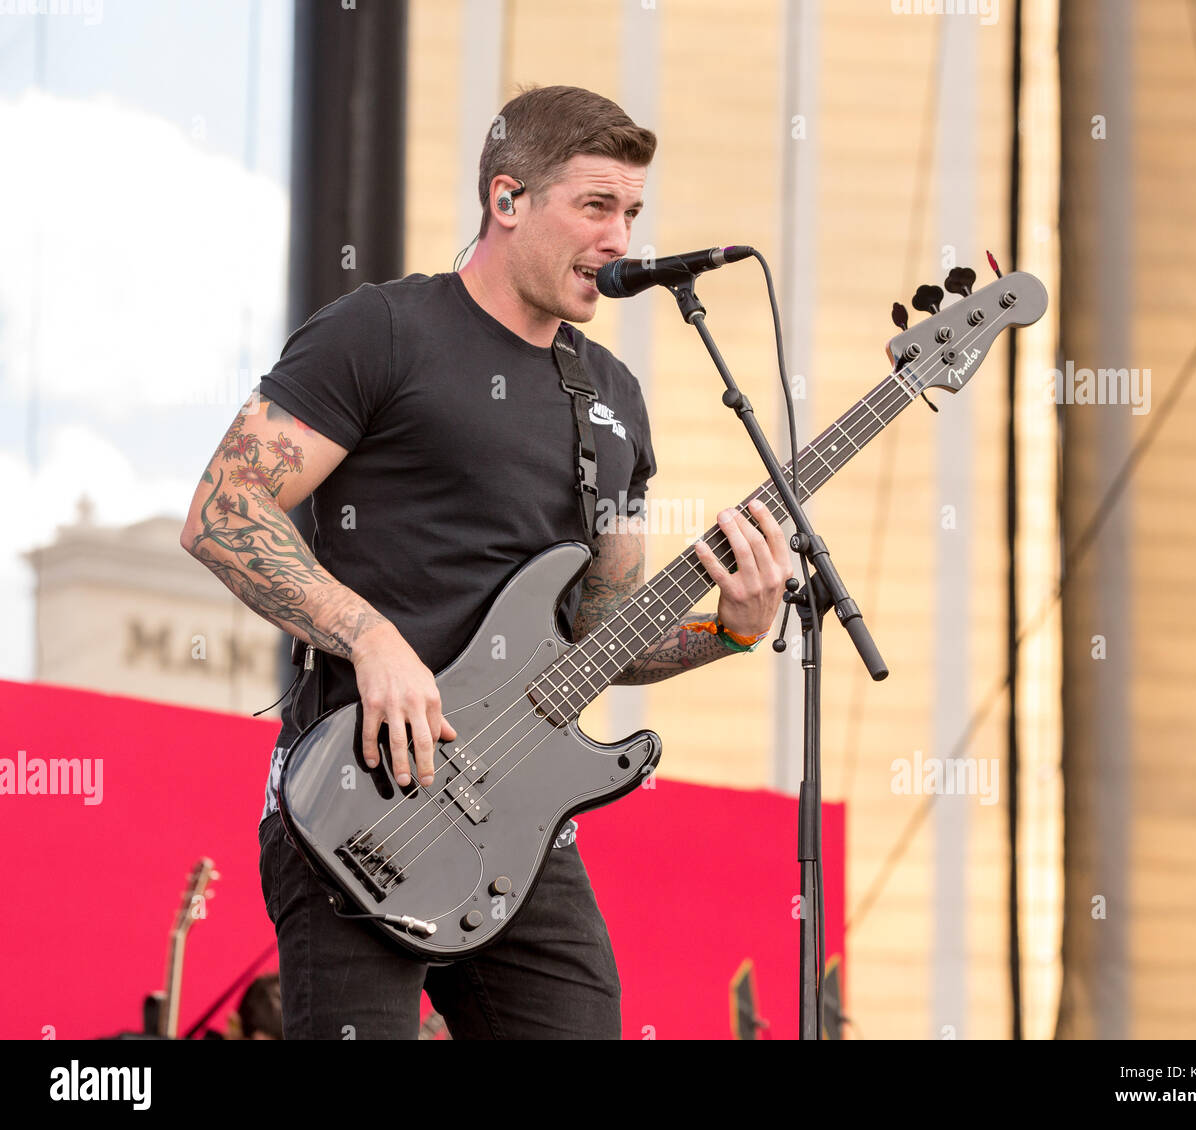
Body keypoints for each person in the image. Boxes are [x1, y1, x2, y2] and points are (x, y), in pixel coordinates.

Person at [181, 84, 793, 1040]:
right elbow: (223, 511)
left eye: (632, 212)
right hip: (360, 795)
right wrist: (370, 636)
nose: (622, 239)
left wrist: (729, 629)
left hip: (516, 822)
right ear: (507, 201)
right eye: (596, 207)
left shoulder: (615, 399)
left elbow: (602, 632)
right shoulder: (382, 330)